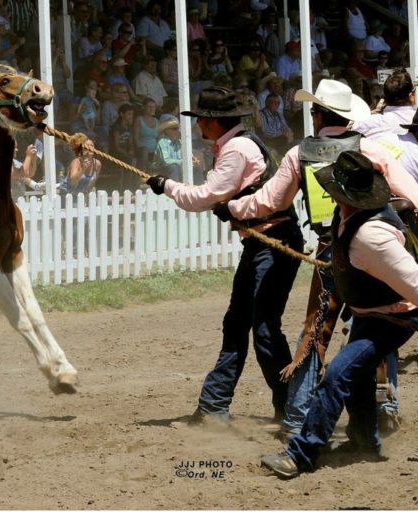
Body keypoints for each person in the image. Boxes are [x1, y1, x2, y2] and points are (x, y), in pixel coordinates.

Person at [214, 79, 418, 437]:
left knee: (315, 331)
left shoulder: (299, 153)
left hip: (331, 250)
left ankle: (296, 416)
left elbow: (269, 202)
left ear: (318, 114)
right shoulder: (371, 150)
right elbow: (412, 196)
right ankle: (385, 405)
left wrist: (232, 208)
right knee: (377, 321)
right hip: (370, 248)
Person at [145, 86, 304, 422]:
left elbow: (207, 196)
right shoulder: (238, 144)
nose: (199, 124)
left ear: (213, 121)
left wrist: (167, 187)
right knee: (240, 323)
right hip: (264, 242)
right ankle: (217, 405)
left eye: (202, 119)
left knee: (263, 328)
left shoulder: (235, 149)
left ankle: (292, 406)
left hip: (273, 243)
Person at [260, 150, 417, 479]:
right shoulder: (348, 216)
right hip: (370, 312)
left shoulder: (373, 237)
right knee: (356, 376)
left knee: (336, 377)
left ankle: (300, 455)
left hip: (392, 318)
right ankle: (365, 442)